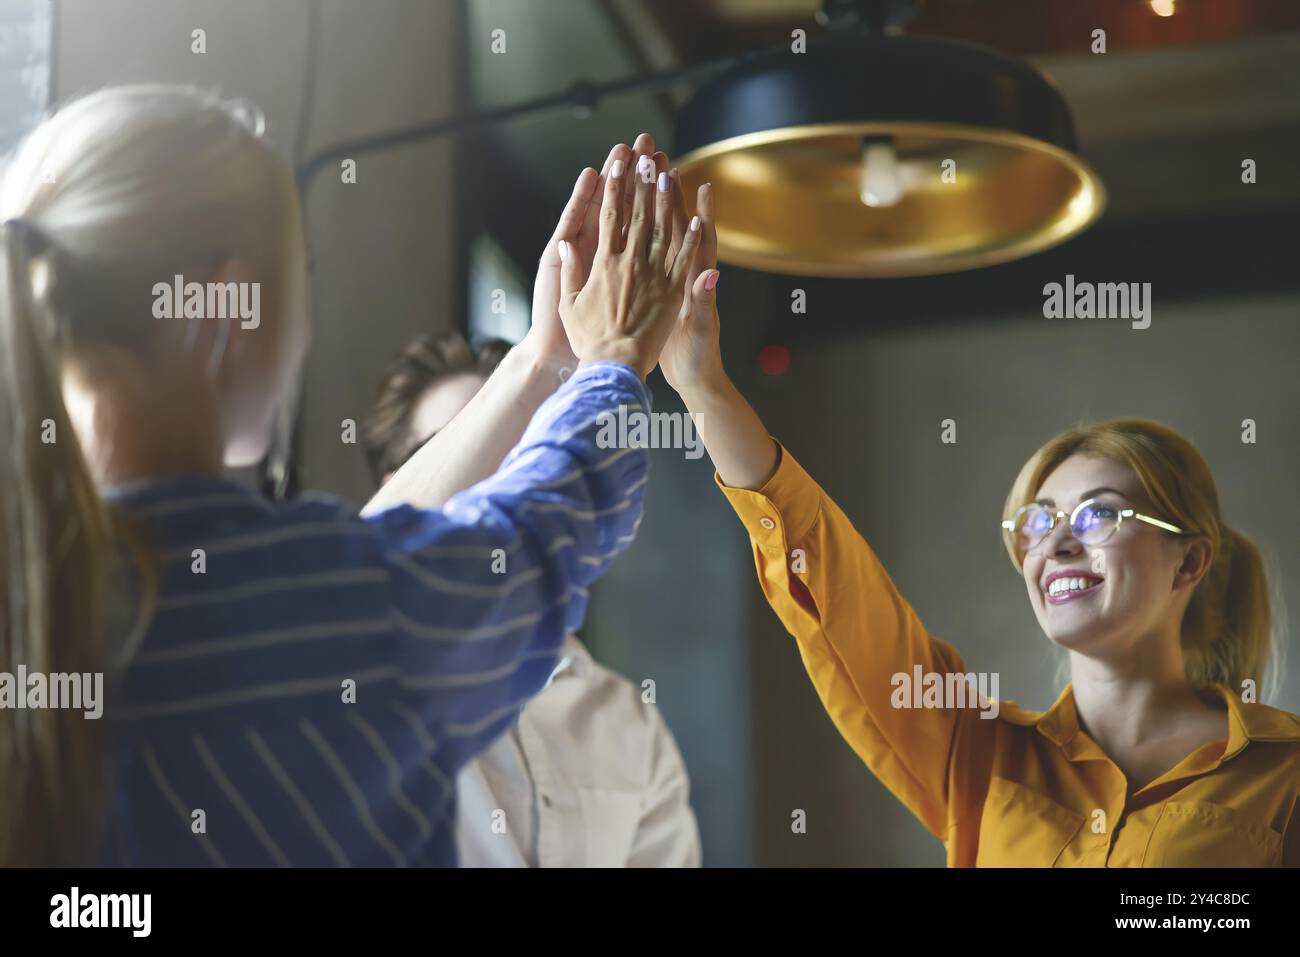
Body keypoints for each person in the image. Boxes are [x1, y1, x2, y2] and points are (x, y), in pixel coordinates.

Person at [0, 85, 699, 866]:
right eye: (299, 278)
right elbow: (538, 532)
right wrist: (611, 362)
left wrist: (549, 360)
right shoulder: (338, 607)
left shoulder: (39, 598)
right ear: (223, 310)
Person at [657, 178, 1300, 867]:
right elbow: (836, 592)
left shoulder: (1281, 771)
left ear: (1191, 560)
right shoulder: (976, 751)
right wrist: (704, 387)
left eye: (1098, 514)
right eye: (1037, 522)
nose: (1055, 542)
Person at [365, 331, 701, 867]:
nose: (499, 485)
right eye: (466, 450)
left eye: (520, 449)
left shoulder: (629, 724)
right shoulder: (357, 685)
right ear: (403, 480)